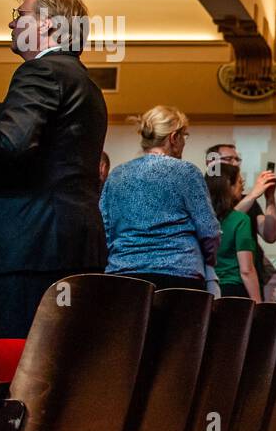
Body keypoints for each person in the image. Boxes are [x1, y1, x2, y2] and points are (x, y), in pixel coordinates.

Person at [0, 0, 107, 338]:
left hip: (31, 244)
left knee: (23, 362)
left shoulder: (40, 72)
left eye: (20, 17)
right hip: (72, 243)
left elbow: (13, 141)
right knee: (62, 359)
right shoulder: (85, 82)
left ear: (49, 25)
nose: (12, 26)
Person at [99, 105, 220, 291]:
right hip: (180, 275)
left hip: (124, 276)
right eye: (184, 136)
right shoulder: (187, 172)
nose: (184, 142)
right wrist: (209, 260)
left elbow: (105, 230)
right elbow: (209, 230)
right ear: (173, 138)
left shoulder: (116, 175)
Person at [207, 165, 262, 301]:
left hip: (207, 289)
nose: (242, 188)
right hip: (233, 290)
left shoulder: (202, 219)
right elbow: (246, 270)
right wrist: (258, 302)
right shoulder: (240, 220)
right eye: (239, 183)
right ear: (228, 186)